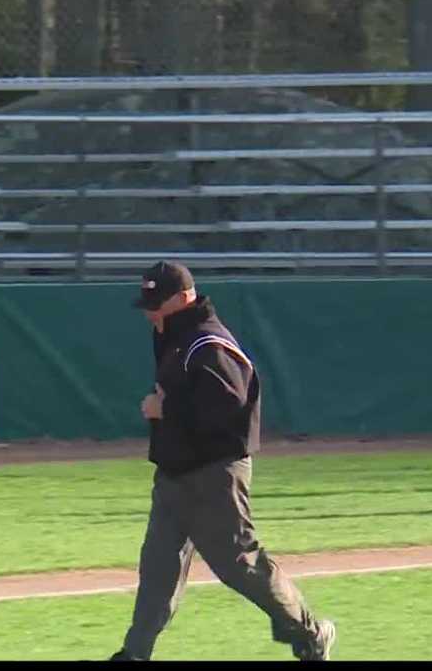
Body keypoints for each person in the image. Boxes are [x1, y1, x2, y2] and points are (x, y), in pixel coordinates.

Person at [110, 261, 337, 662]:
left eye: (156, 304)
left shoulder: (208, 344)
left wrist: (166, 410)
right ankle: (134, 654)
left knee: (240, 565)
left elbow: (229, 409)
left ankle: (310, 633)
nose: (149, 312)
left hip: (214, 474)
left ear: (184, 298)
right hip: (175, 472)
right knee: (158, 568)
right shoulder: (173, 336)